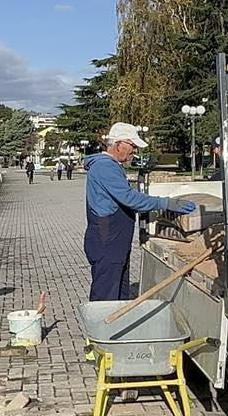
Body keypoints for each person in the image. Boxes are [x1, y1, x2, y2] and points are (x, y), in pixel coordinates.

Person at [84, 122, 196, 302]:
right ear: (119, 144)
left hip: (114, 242)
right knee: (105, 297)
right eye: (132, 146)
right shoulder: (105, 167)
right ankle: (101, 329)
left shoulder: (111, 166)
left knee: (119, 294)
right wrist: (165, 202)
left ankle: (118, 328)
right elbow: (130, 198)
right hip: (107, 242)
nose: (134, 151)